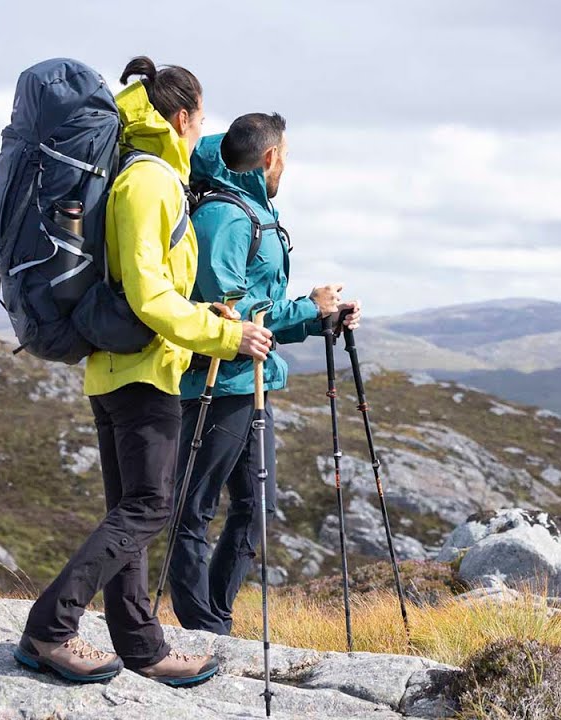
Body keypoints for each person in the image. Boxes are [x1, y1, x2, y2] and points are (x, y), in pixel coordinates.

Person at [15, 57, 275, 687]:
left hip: (119, 368)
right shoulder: (149, 180)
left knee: (131, 511)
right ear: (182, 119)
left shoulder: (141, 172)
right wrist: (228, 335)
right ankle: (49, 628)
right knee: (151, 507)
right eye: (201, 119)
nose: (202, 131)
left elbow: (151, 285)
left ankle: (141, 646)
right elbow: (147, 295)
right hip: (141, 372)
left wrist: (204, 313)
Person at [166, 112, 361, 634]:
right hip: (218, 383)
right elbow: (227, 308)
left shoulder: (253, 211)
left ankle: (215, 620)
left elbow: (263, 310)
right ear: (270, 157)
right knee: (193, 509)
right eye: (286, 157)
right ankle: (201, 627)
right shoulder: (224, 218)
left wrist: (321, 319)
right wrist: (307, 305)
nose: (286, 167)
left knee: (256, 509)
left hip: (253, 382)